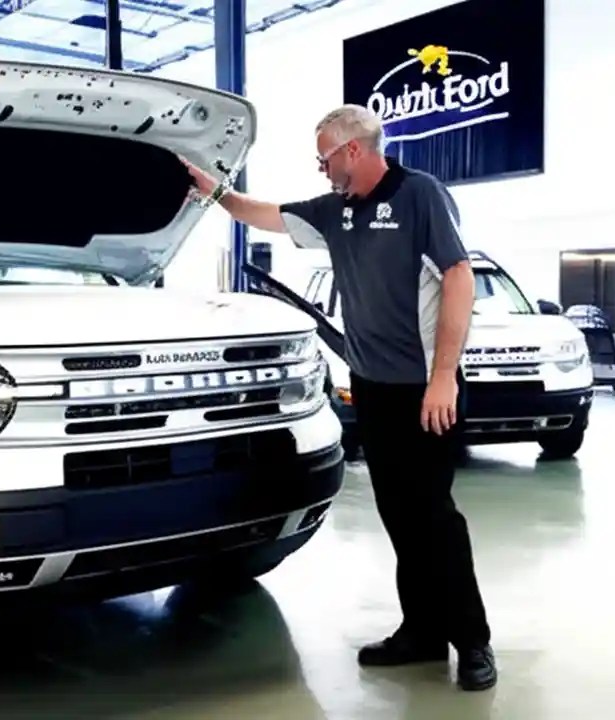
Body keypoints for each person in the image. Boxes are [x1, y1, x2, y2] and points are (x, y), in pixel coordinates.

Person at [183, 104, 497, 692]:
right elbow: (266, 215)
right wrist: (215, 191)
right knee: (400, 518)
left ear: (354, 150)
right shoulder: (336, 211)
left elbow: (459, 275)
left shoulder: (419, 196)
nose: (322, 168)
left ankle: (472, 640)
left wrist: (444, 375)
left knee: (435, 520)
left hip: (426, 391)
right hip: (376, 390)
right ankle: (422, 631)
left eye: (325, 156)